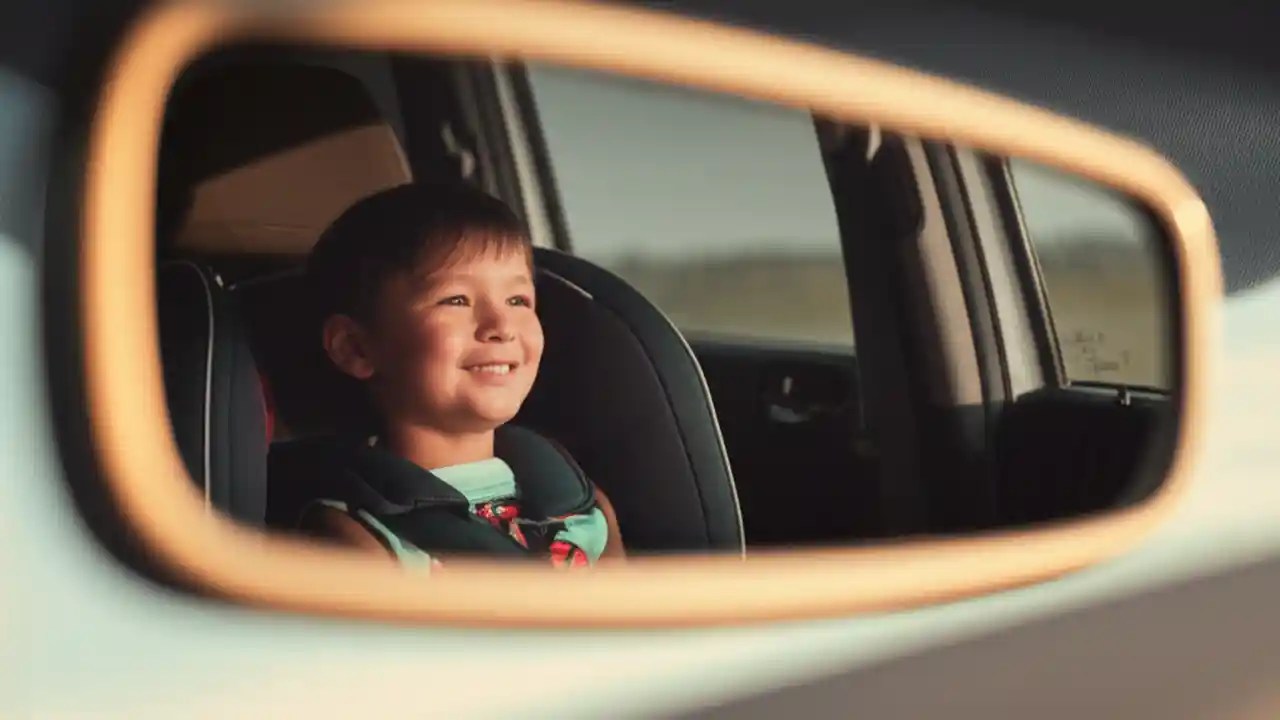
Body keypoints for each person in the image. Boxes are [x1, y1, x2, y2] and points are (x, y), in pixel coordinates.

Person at [297, 181, 624, 568]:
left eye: (518, 300)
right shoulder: (357, 536)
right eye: (456, 300)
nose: (501, 325)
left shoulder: (580, 504)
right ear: (355, 348)